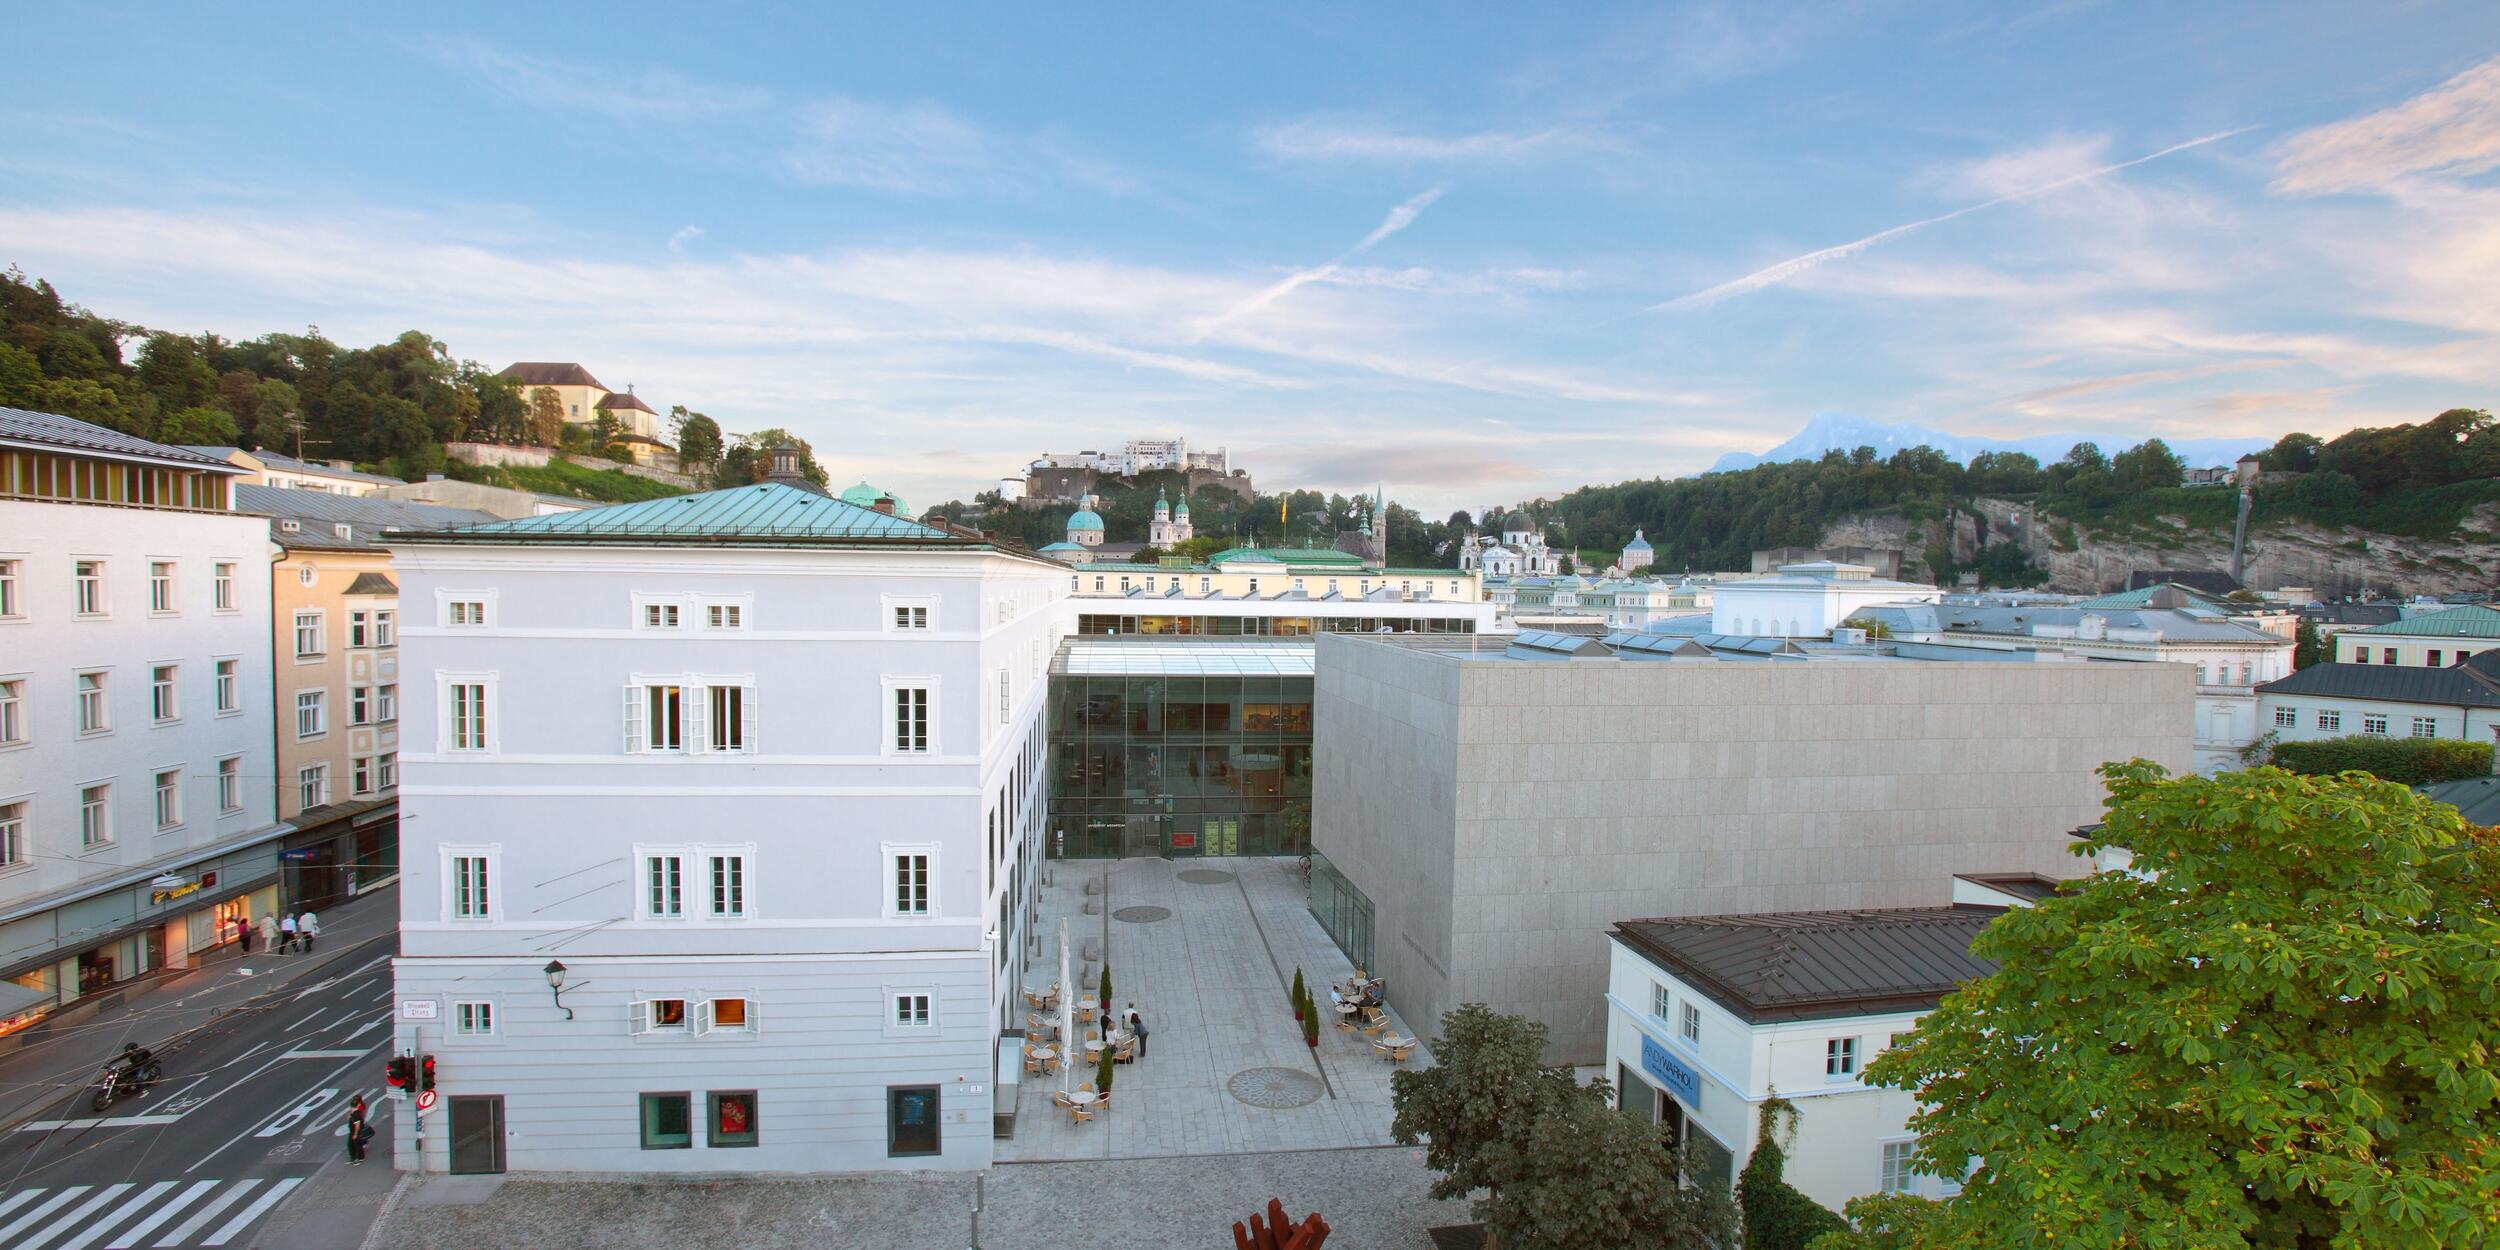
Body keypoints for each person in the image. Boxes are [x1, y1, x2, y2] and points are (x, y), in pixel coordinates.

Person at [346, 1093, 369, 1165]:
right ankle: (353, 1157)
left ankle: (360, 1158)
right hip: (353, 1131)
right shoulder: (354, 1112)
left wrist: (355, 1134)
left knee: (357, 1145)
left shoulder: (356, 1114)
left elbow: (357, 1125)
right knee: (351, 1144)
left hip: (356, 1131)